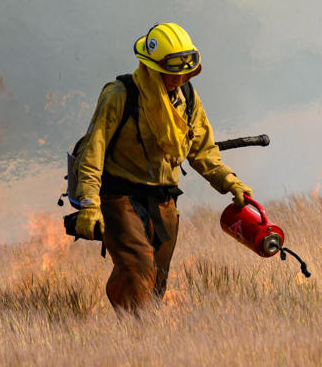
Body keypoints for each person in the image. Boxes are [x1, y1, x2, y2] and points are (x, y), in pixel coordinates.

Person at [73, 22, 252, 312]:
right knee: (138, 265)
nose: (179, 79)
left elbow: (203, 150)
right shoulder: (120, 95)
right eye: (171, 73)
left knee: (157, 278)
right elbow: (94, 150)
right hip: (120, 196)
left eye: (184, 71)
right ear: (152, 67)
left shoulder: (187, 98)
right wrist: (89, 203)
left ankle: (146, 326)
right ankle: (137, 336)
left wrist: (229, 181)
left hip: (164, 199)